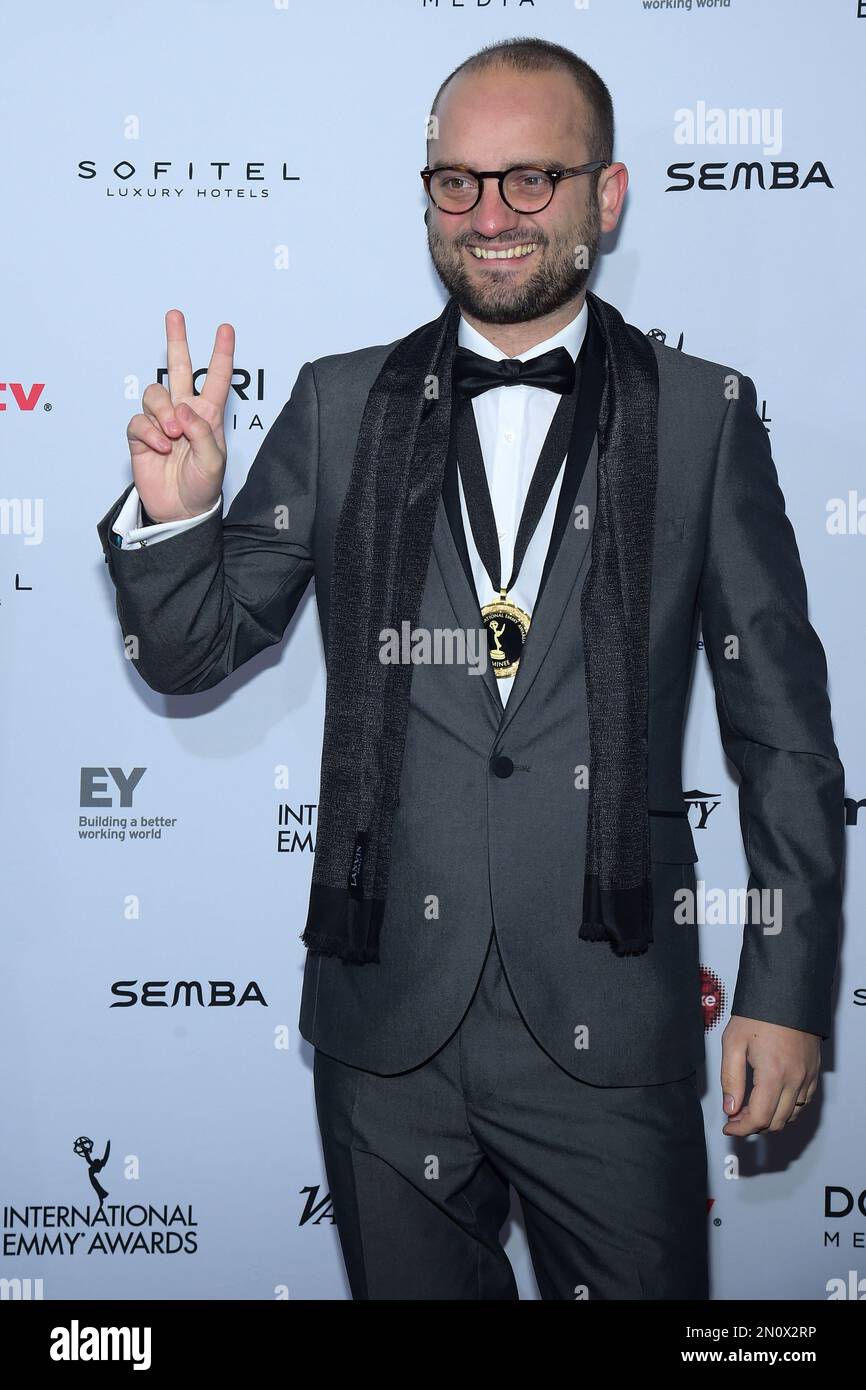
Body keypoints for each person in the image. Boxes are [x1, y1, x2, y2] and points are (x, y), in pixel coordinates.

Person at [97, 37, 845, 1300]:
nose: (489, 215)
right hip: (384, 1024)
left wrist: (786, 987)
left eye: (530, 180)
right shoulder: (341, 407)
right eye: (457, 182)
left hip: (611, 1019)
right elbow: (195, 651)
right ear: (427, 193)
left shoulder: (705, 413)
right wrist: (176, 521)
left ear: (605, 197)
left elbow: (779, 735)